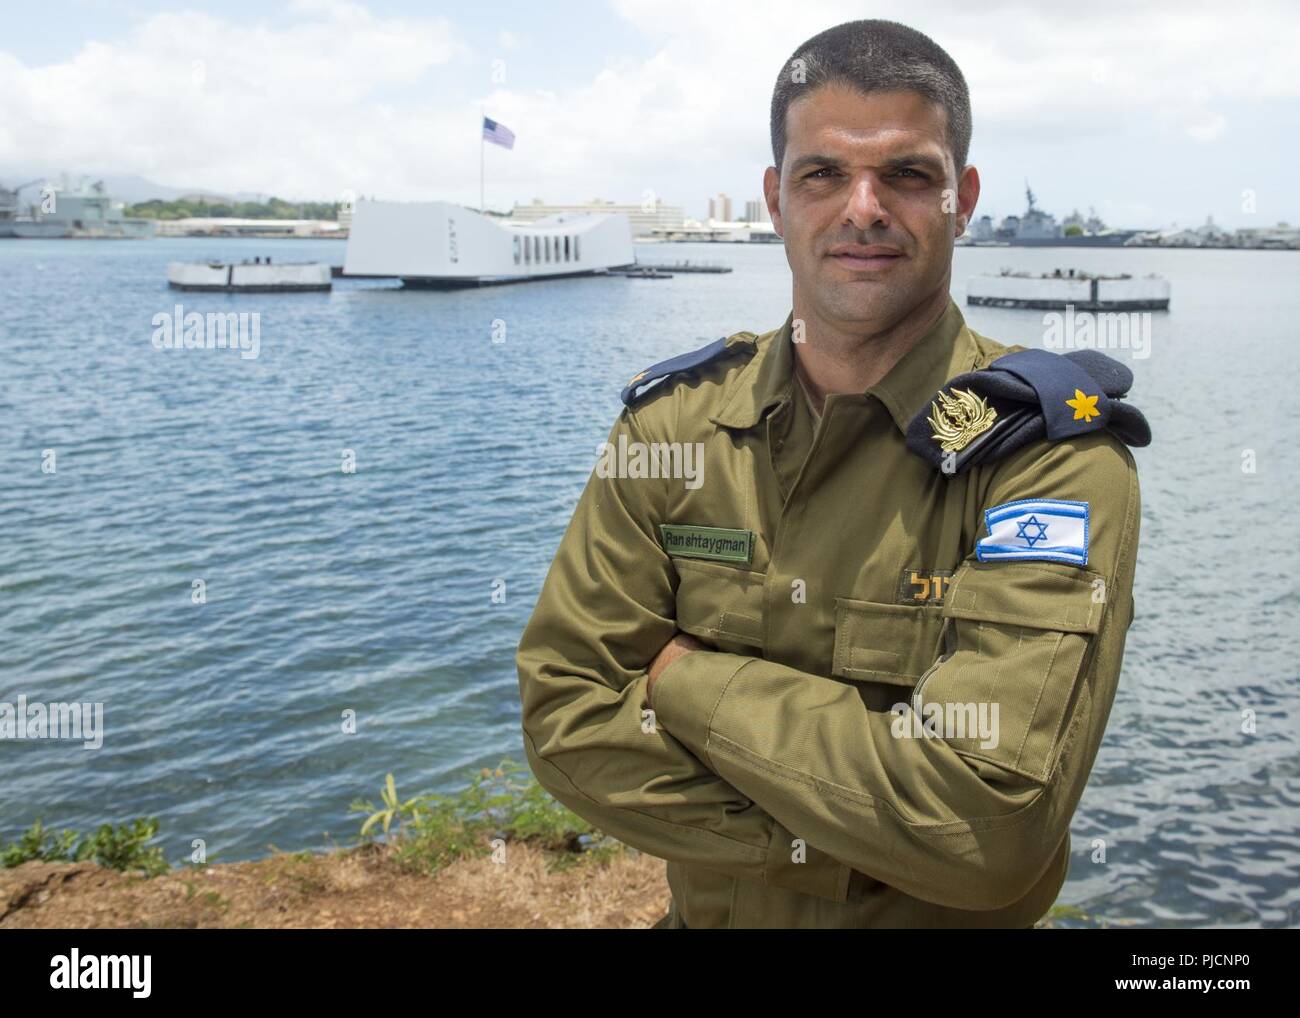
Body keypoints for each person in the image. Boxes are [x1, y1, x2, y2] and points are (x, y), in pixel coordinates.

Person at [516, 18, 1149, 928]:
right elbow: (564, 715)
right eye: (823, 174)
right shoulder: (675, 427)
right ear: (775, 197)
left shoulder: (1047, 459)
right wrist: (852, 850)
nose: (863, 208)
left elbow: (986, 828)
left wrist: (686, 681)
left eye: (907, 173)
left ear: (961, 198)